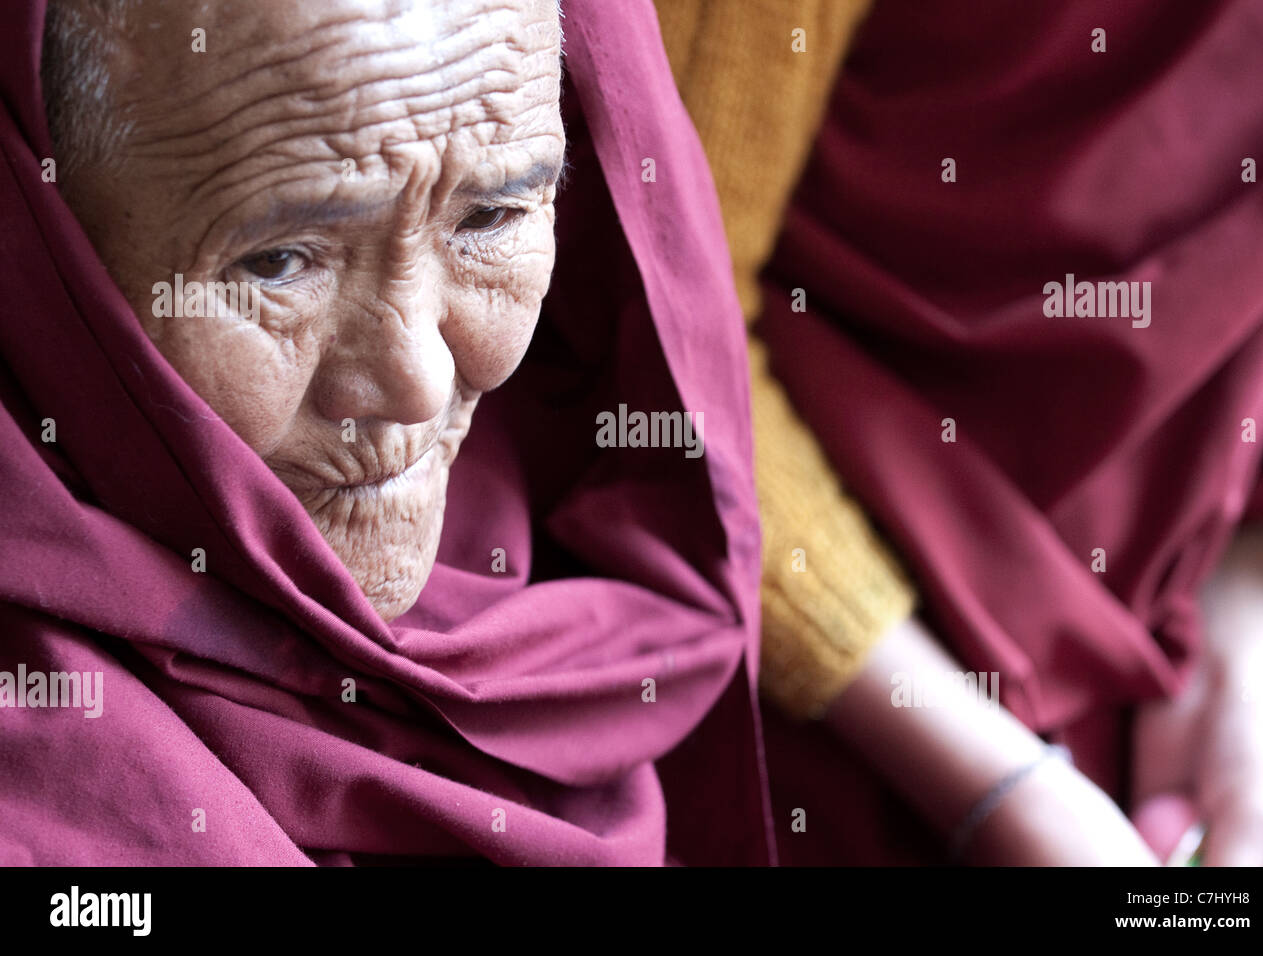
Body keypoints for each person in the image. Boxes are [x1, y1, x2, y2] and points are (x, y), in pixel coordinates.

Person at [0, 0, 775, 865]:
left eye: (488, 219)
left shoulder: (582, 515)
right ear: (36, 235)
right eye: (279, 262)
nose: (420, 385)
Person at [656, 0, 1263, 865]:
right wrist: (1000, 790)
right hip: (788, 638)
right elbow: (667, 332)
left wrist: (1244, 624)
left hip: (1182, 652)